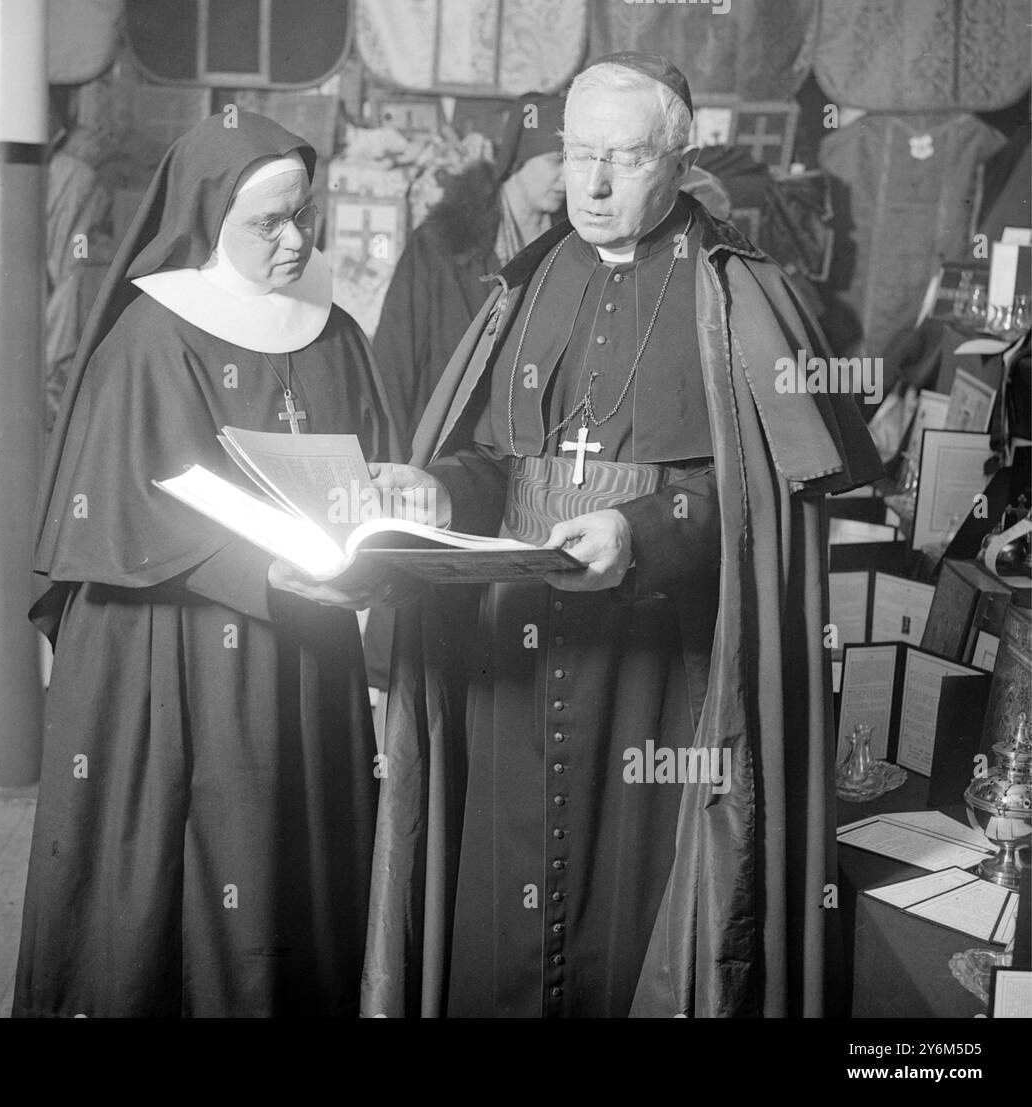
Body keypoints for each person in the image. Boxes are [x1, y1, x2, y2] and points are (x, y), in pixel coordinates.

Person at [361, 55, 881, 1017]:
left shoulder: (737, 296)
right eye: (580, 153)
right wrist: (431, 488)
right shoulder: (524, 285)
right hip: (506, 653)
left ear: (678, 161)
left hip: (656, 675)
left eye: (626, 159)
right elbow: (494, 462)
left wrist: (641, 530)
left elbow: (758, 498)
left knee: (636, 913)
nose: (591, 185)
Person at [14, 112, 400, 1017]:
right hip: (169, 660)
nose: (296, 239)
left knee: (294, 867)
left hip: (306, 649)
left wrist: (392, 513)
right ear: (205, 220)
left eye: (304, 213)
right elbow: (124, 510)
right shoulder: (150, 341)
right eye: (267, 223)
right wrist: (266, 571)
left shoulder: (332, 328)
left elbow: (373, 466)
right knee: (182, 878)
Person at [372, 93, 566, 459]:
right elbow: (395, 358)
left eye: (576, 163)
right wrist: (391, 461)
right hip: (446, 441)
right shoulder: (443, 242)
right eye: (557, 160)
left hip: (524, 446)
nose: (567, 178)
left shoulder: (570, 243)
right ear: (518, 158)